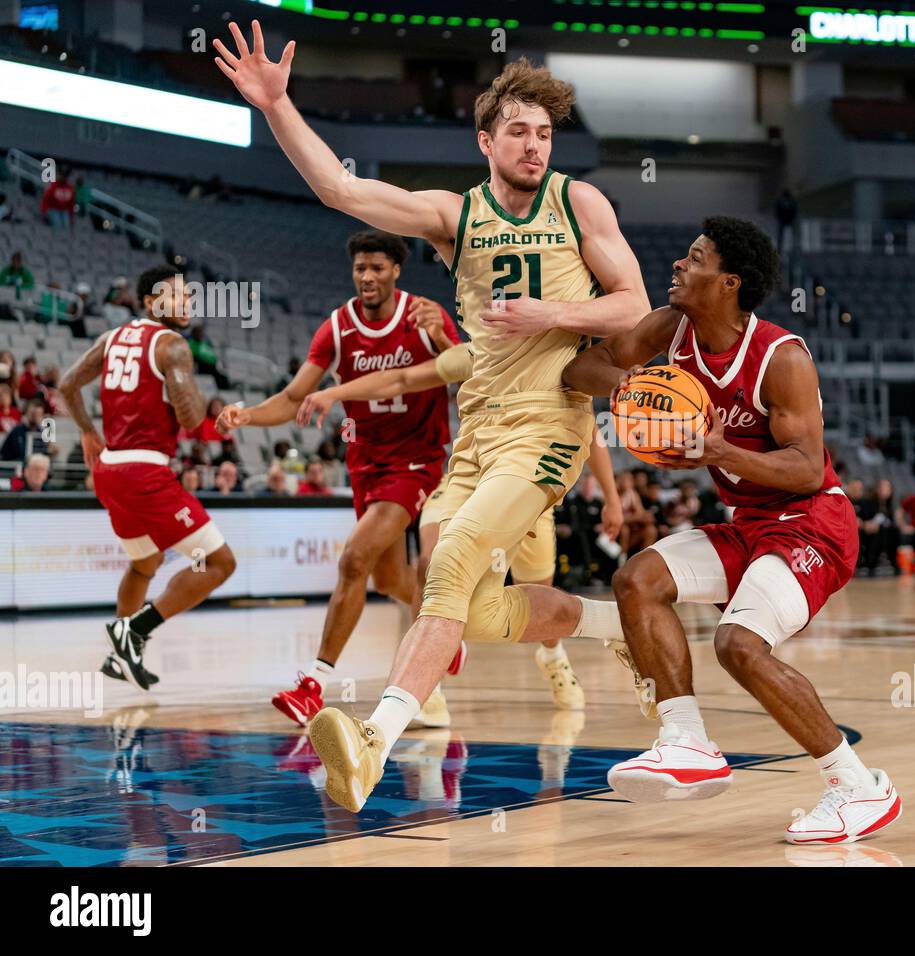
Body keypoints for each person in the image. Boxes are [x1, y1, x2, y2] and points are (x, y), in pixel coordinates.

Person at [214, 19, 652, 810]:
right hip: (476, 436)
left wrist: (549, 311)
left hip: (548, 423)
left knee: (449, 570)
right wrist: (278, 107)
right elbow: (342, 192)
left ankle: (375, 741)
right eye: (517, 131)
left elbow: (635, 309)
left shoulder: (578, 201)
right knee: (467, 603)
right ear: (486, 140)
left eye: (544, 132)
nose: (533, 145)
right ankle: (610, 624)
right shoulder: (459, 216)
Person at [563, 217, 900, 845]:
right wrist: (633, 388)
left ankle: (859, 787)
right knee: (637, 579)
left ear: (728, 283)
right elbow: (586, 367)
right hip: (749, 523)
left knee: (738, 645)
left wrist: (720, 452)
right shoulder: (673, 330)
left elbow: (804, 469)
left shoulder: (782, 357)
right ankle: (686, 741)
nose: (677, 266)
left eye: (693, 258)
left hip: (814, 524)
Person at [295, 337, 624, 717]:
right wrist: (333, 392)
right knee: (433, 561)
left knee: (538, 589)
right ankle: (424, 691)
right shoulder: (474, 354)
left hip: (528, 479)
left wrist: (611, 498)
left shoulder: (551, 359)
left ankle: (553, 657)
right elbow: (400, 379)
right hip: (468, 476)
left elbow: (592, 435)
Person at [217, 231, 462, 728]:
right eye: (360, 270)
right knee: (387, 577)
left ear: (396, 270)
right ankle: (442, 635)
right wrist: (249, 416)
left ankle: (313, 685)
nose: (367, 277)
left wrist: (439, 335)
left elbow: (465, 375)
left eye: (377, 268)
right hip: (365, 462)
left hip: (418, 459)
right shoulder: (337, 327)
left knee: (353, 558)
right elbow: (293, 397)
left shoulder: (423, 314)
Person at [57, 267, 238, 689]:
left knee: (145, 563)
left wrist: (88, 430)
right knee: (219, 562)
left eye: (189, 297)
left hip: (110, 471)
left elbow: (67, 385)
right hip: (145, 472)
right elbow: (192, 419)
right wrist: (212, 409)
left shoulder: (111, 338)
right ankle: (137, 628)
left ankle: (121, 656)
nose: (187, 303)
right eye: (175, 296)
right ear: (149, 302)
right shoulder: (172, 345)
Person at [857, 477, 898, 575]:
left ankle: (894, 562)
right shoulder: (868, 502)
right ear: (878, 489)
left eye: (888, 488)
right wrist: (867, 524)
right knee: (879, 531)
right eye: (883, 488)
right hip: (867, 530)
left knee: (895, 531)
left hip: (884, 532)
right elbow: (862, 519)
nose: (885, 491)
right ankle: (870, 563)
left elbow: (891, 522)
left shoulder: (889, 506)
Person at [0, 396, 56, 461]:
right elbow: (5, 454)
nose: (35, 417)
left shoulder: (43, 433)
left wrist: (51, 449)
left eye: (38, 414)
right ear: (26, 412)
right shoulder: (17, 431)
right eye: (32, 414)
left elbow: (45, 454)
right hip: (16, 466)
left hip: (36, 466)